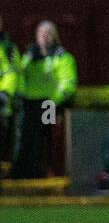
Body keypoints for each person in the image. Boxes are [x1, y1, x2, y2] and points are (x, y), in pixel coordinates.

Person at [12, 21, 77, 179]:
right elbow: (20, 77)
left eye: (48, 34)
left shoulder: (62, 57)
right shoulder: (30, 56)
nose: (44, 38)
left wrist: (53, 101)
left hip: (50, 102)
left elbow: (67, 85)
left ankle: (45, 169)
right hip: (30, 101)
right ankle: (22, 171)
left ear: (55, 37)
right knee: (25, 135)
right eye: (41, 34)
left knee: (44, 135)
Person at [0, 14, 17, 171]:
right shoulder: (33, 54)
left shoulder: (8, 47)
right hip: (30, 103)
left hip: (49, 103)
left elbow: (12, 73)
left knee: (48, 133)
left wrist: (5, 94)